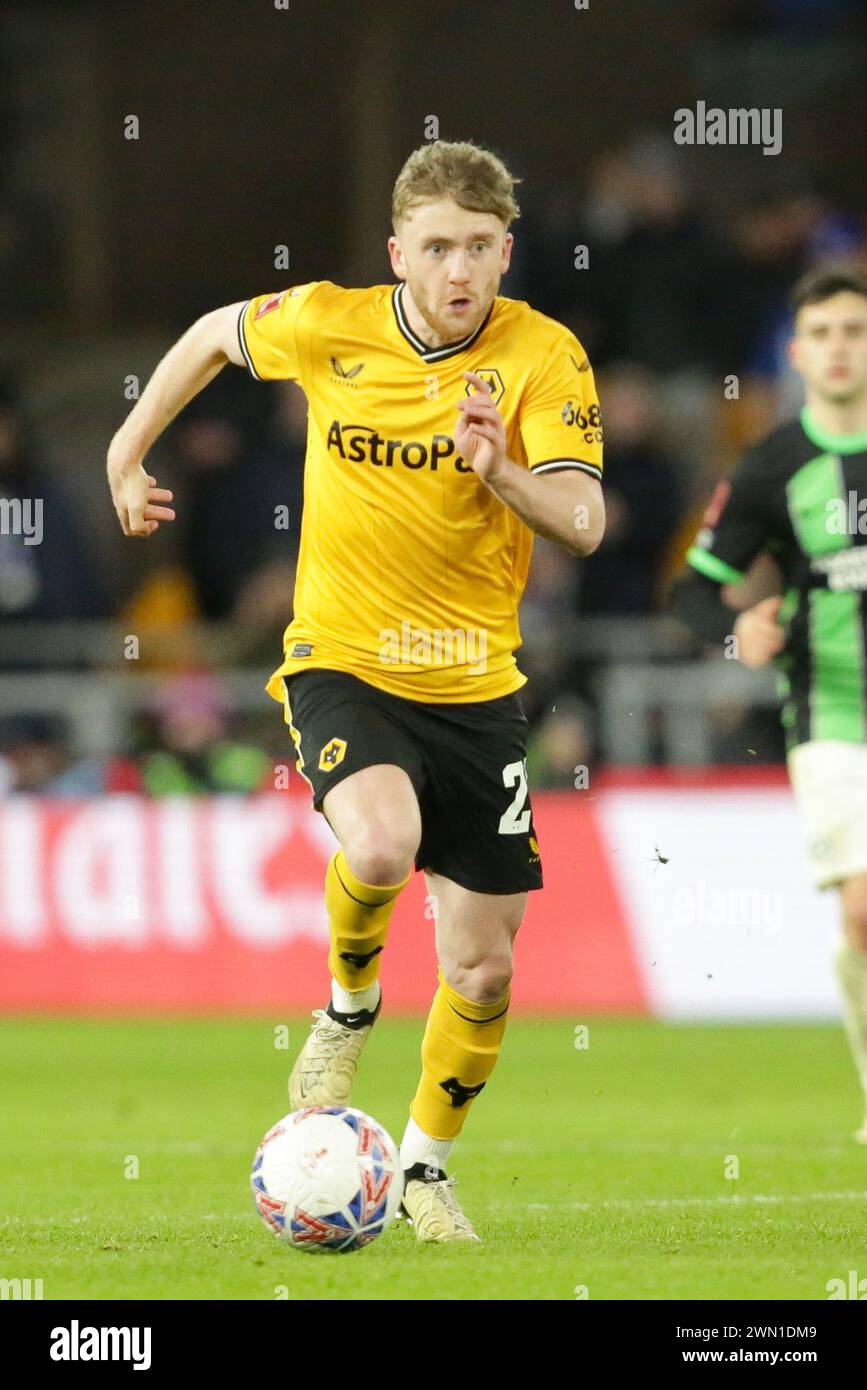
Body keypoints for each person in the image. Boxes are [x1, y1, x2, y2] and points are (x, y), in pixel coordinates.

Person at [106, 139, 605, 1241]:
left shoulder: (544, 356)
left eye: (479, 246)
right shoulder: (331, 320)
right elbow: (207, 337)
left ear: (506, 249)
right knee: (379, 845)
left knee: (481, 963)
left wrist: (501, 472)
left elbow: (584, 519)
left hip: (479, 687)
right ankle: (347, 1004)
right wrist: (126, 452)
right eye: (436, 247)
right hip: (347, 657)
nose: (459, 269)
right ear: (398, 252)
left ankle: (424, 1171)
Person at [670, 266, 867, 1142]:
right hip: (831, 715)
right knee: (862, 907)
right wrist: (739, 625)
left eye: (853, 331)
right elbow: (690, 593)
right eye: (821, 333)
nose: (837, 348)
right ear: (796, 351)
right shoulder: (772, 465)